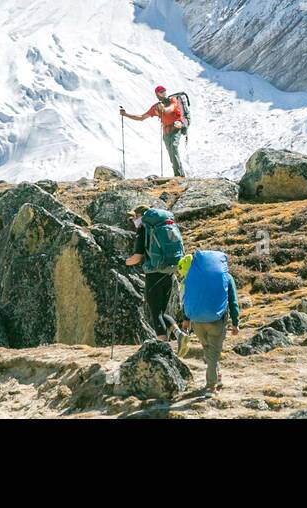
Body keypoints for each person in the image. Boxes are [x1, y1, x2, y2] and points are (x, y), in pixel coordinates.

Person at [179, 249, 240, 392]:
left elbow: (187, 299)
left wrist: (186, 319)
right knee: (213, 353)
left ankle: (217, 377)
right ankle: (211, 385)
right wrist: (236, 323)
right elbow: (233, 302)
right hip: (216, 321)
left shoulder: (193, 278)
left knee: (208, 350)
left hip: (197, 321)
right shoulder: (227, 277)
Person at [125, 205, 183, 342]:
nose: (132, 219)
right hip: (169, 272)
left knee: (156, 313)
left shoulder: (144, 229)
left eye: (134, 216)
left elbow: (137, 257)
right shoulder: (165, 226)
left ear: (141, 216)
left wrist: (124, 262)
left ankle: (162, 346)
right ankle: (180, 334)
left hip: (154, 273)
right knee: (162, 312)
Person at [120, 86, 187, 177]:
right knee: (172, 154)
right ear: (157, 94)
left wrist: (163, 110)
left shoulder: (172, 100)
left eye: (164, 91)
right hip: (166, 132)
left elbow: (171, 108)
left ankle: (179, 175)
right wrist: (126, 114)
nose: (164, 92)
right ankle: (179, 175)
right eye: (161, 91)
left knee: (174, 147)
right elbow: (141, 117)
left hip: (176, 127)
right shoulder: (155, 107)